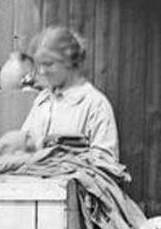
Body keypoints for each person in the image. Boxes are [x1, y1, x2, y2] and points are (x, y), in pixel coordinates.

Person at [21, 26, 118, 156]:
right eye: (39, 65)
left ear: (68, 62)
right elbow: (24, 145)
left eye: (48, 64)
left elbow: (106, 163)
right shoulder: (43, 101)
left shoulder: (94, 104)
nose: (42, 71)